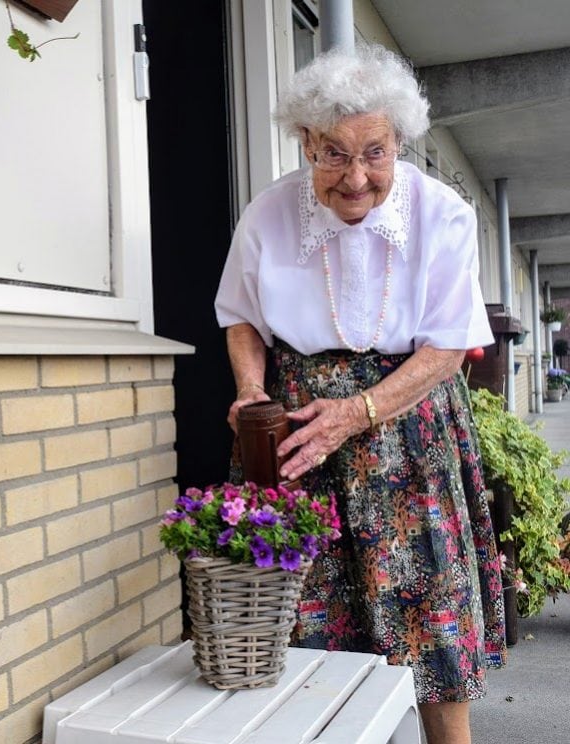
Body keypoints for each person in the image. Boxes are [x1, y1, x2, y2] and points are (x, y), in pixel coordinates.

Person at [215, 43, 506, 744]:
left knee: (431, 630)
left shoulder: (442, 215)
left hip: (408, 435)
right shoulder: (267, 214)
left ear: (398, 142)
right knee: (302, 628)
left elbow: (446, 348)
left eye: (374, 152)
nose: (356, 177)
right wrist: (252, 390)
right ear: (304, 142)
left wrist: (360, 410)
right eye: (333, 154)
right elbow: (243, 317)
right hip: (299, 438)